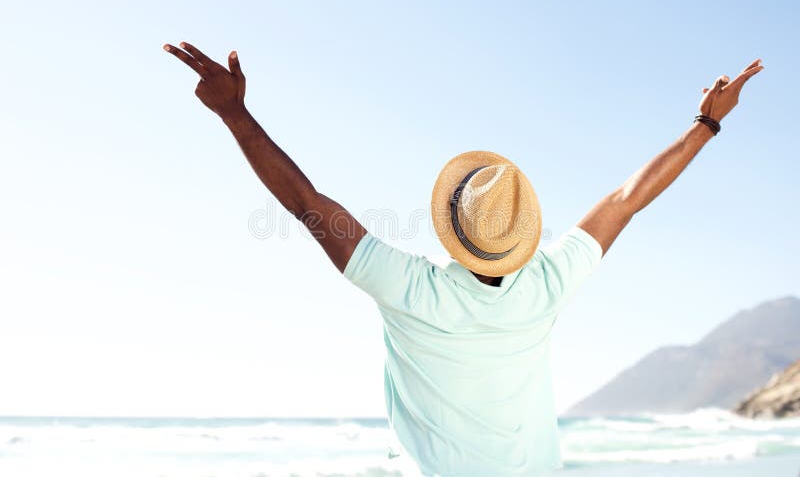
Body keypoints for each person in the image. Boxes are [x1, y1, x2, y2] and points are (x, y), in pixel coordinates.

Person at [163, 41, 763, 476]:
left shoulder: (408, 287)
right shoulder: (548, 282)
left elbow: (306, 204)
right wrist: (705, 124)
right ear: (519, 231)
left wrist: (234, 114)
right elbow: (627, 200)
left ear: (453, 225)